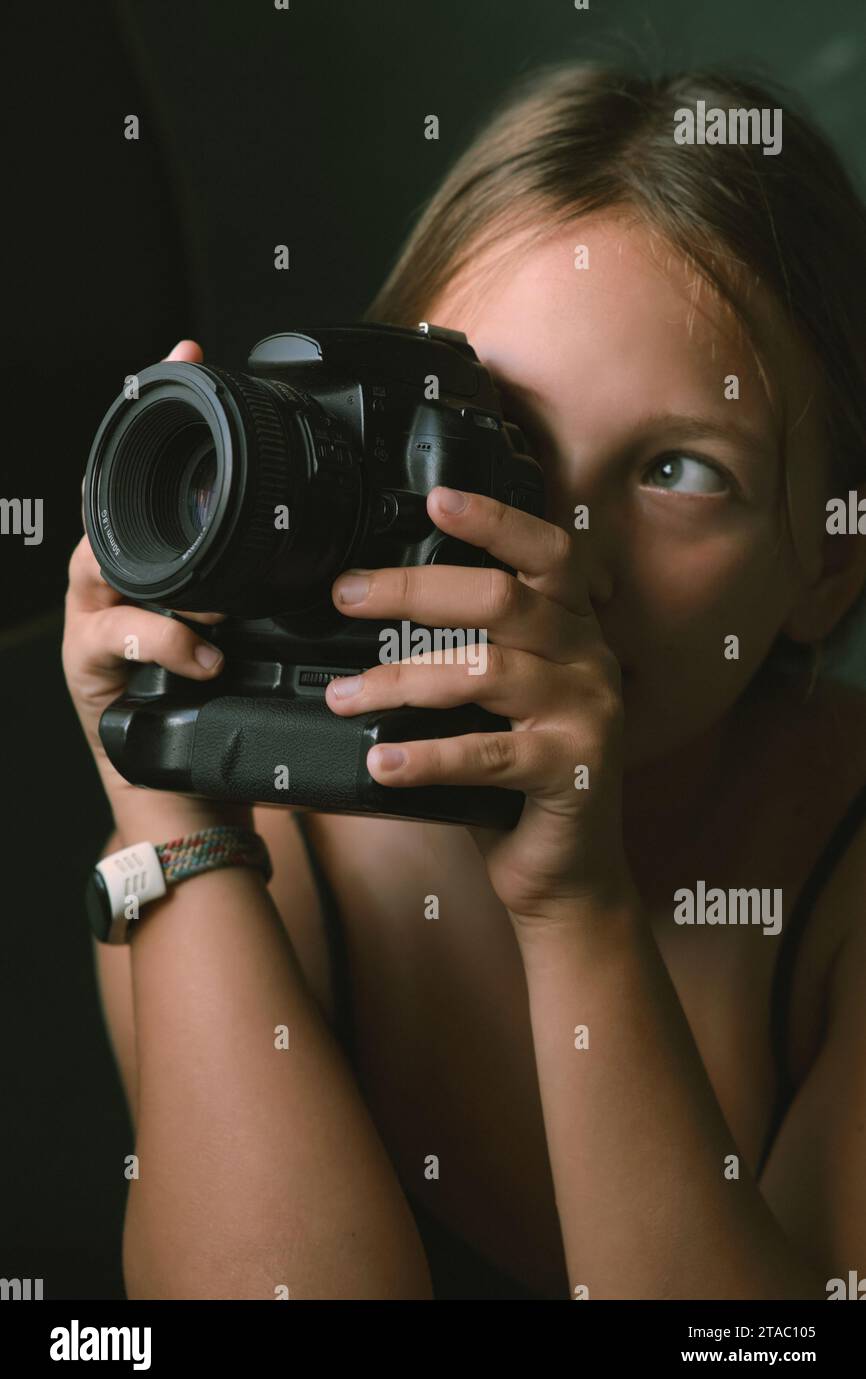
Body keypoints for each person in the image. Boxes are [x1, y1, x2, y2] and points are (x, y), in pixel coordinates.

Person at [62, 62, 866, 1299]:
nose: (562, 551)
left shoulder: (836, 873)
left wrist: (575, 907)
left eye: (679, 472)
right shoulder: (254, 814)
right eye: (495, 437)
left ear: (827, 561)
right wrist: (169, 808)